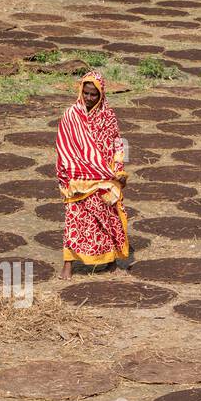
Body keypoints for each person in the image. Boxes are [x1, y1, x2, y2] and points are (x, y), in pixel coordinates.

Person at [56, 71, 129, 279]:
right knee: (74, 220)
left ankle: (111, 261)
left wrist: (120, 169)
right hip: (78, 179)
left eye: (93, 95)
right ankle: (68, 265)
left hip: (104, 176)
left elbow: (118, 143)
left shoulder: (108, 116)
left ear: (101, 95)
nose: (88, 98)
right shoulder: (71, 115)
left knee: (106, 218)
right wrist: (67, 173)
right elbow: (63, 146)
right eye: (86, 93)